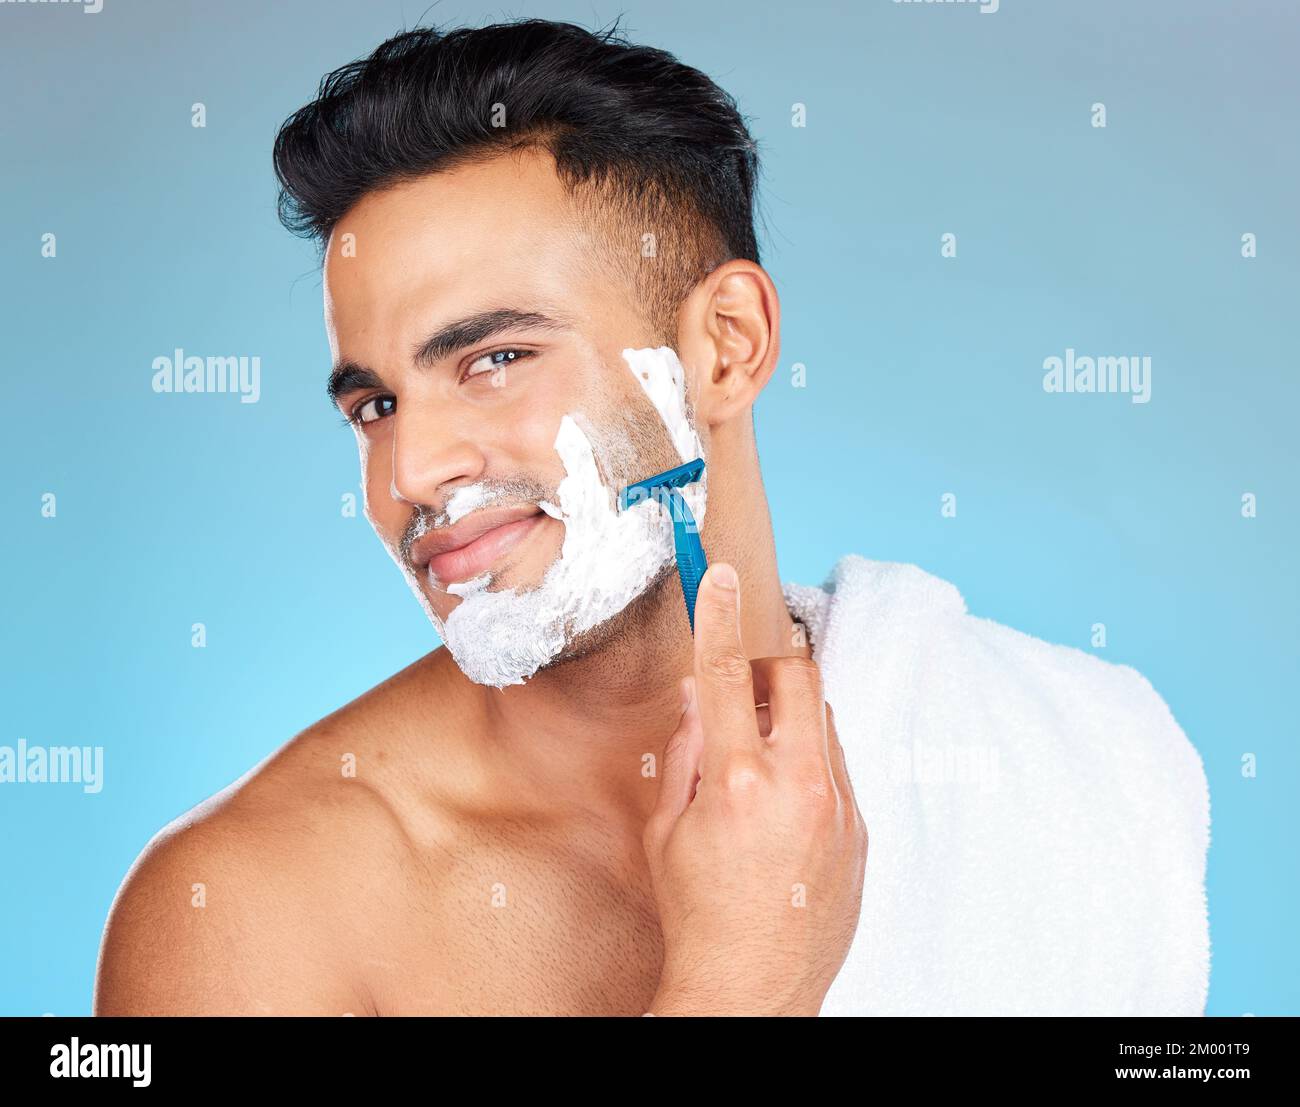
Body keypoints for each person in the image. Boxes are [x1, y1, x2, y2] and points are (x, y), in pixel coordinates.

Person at [94, 19, 1208, 1016]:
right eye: (375, 404)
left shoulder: (1071, 750)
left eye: (494, 359)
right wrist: (744, 982)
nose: (414, 470)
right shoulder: (247, 910)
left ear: (726, 345)